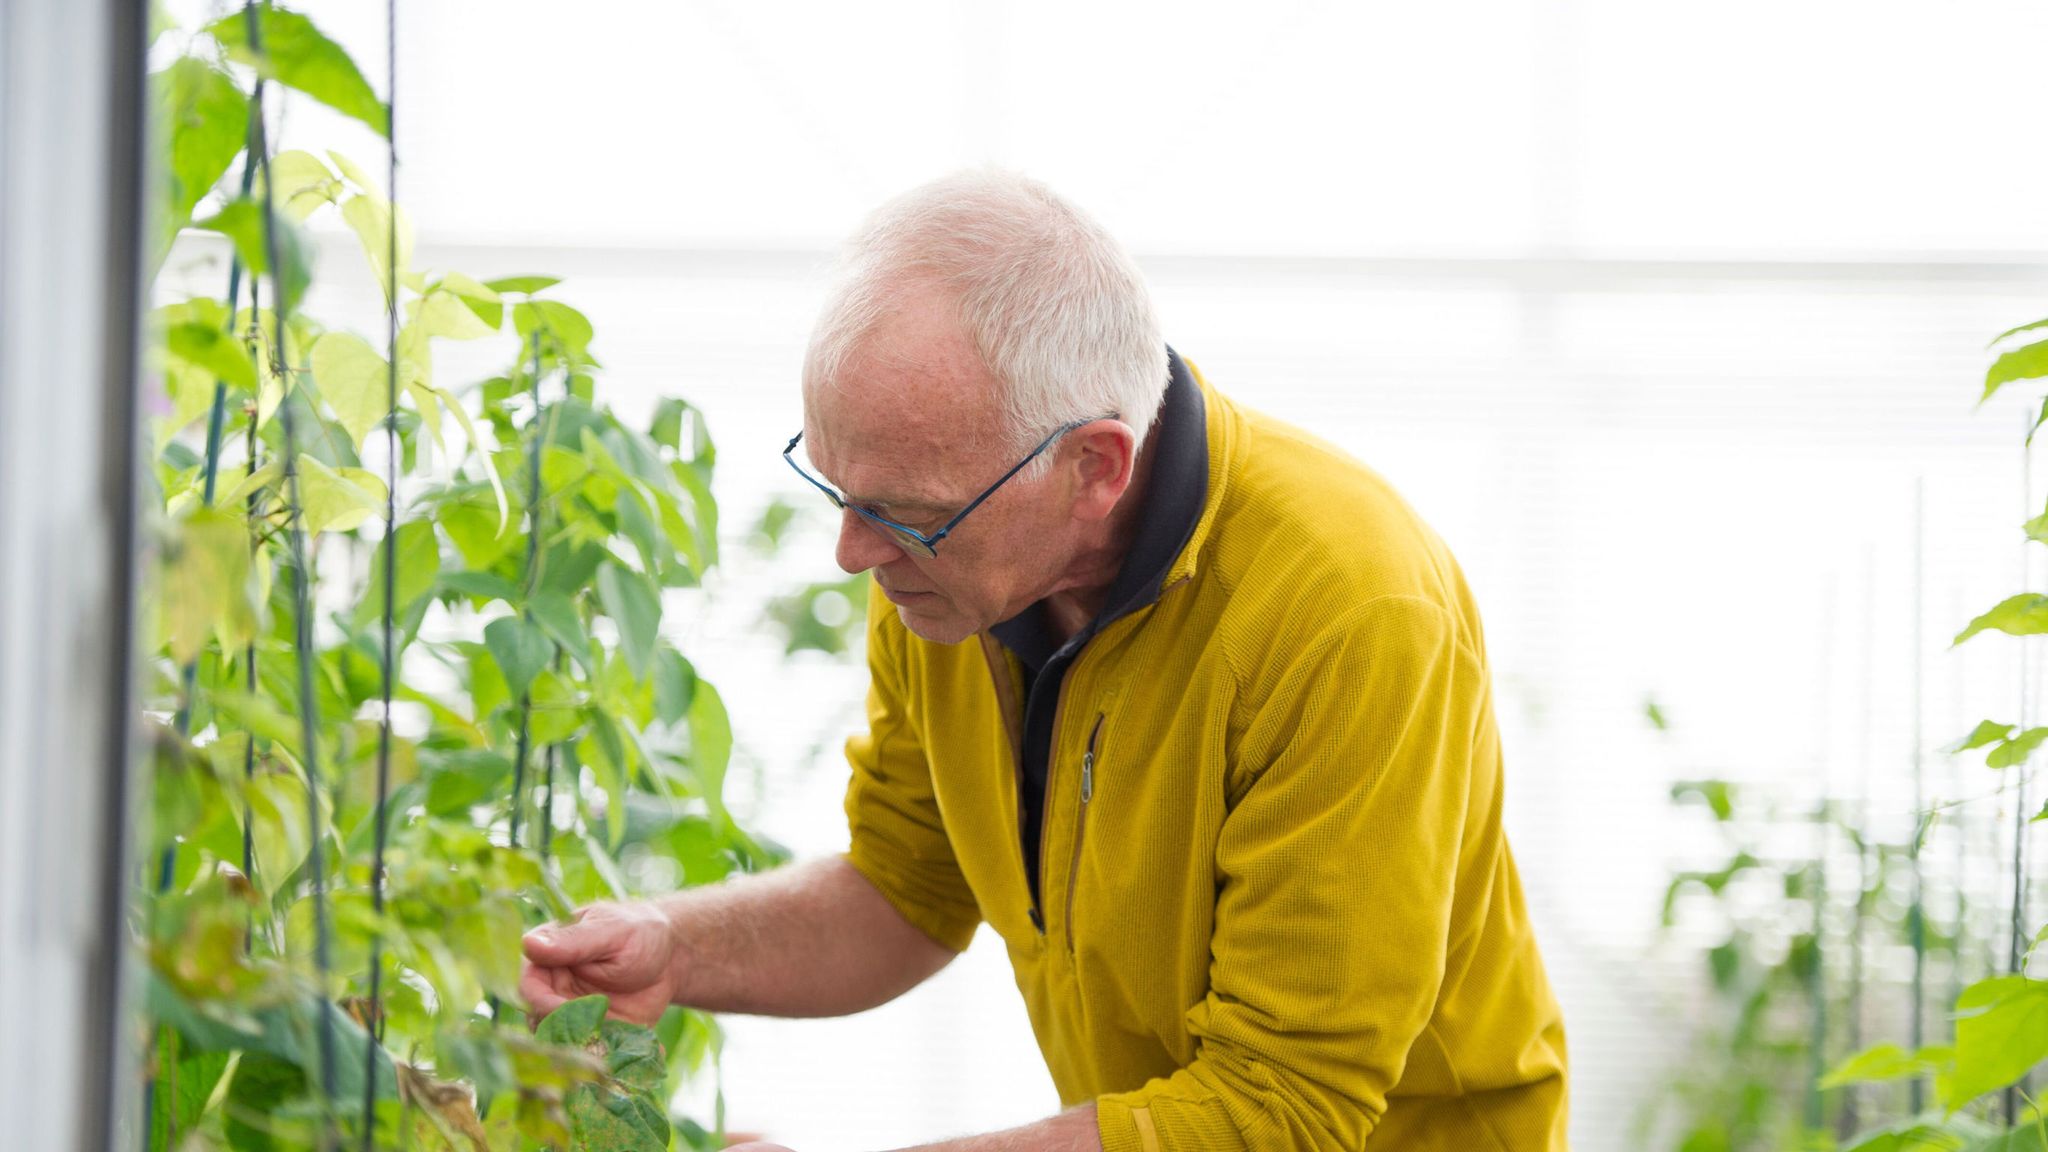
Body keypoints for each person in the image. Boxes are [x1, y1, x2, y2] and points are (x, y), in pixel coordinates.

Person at [520, 169, 1570, 1151]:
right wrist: (674, 944)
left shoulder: (1347, 608)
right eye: (839, 492)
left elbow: (1280, 1104)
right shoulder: (950, 573)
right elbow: (906, 888)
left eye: (901, 514)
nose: (854, 552)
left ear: (1093, 466)